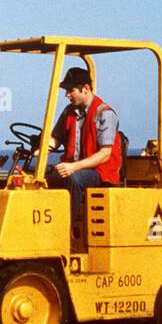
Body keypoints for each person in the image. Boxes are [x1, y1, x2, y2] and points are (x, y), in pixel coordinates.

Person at [44, 67, 123, 226]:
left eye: (70, 90)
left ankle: (64, 230)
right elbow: (55, 140)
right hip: (76, 167)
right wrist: (39, 150)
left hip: (100, 172)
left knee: (75, 179)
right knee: (40, 174)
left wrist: (73, 167)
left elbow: (105, 154)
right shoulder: (69, 112)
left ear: (85, 89)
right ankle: (46, 223)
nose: (66, 95)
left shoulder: (104, 113)